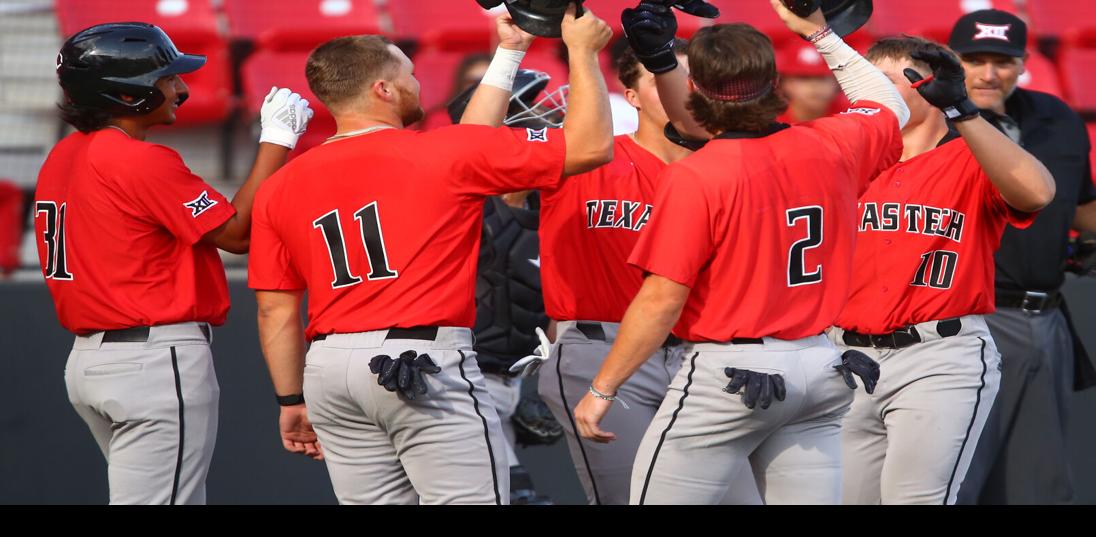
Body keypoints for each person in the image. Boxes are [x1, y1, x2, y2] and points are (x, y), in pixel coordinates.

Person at [249, 8, 615, 505]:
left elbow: (275, 309)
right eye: (410, 76)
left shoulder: (280, 185)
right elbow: (591, 146)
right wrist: (584, 52)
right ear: (383, 89)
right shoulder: (439, 154)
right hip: (420, 363)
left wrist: (290, 398)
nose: (418, 85)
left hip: (329, 372)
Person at [570, 0, 907, 505]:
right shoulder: (833, 143)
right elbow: (888, 101)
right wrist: (817, 33)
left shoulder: (698, 174)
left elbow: (662, 298)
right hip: (821, 366)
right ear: (775, 84)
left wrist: (603, 388)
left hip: (731, 375)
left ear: (698, 91)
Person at [474, 13, 759, 505]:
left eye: (694, 77)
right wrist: (518, 52)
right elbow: (473, 150)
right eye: (663, 71)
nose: (683, 85)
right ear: (629, 96)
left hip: (706, 353)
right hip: (598, 345)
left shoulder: (731, 168)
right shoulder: (589, 157)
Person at [38, 22, 311, 504]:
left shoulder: (62, 155)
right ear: (128, 94)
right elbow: (238, 234)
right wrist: (277, 139)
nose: (180, 89)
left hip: (92, 361)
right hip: (151, 360)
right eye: (166, 78)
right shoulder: (135, 159)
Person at [947, 9, 1096, 506]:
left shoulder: (1056, 116)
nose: (989, 74)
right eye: (975, 59)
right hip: (961, 320)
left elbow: (1081, 201)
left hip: (1044, 318)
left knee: (1037, 486)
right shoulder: (931, 123)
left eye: (1003, 61)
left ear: (1025, 62)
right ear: (952, 60)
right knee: (951, 483)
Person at [832, 37, 1053, 505]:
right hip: (843, 356)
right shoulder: (843, 157)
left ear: (925, 85)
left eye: (884, 81)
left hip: (937, 355)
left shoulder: (971, 155)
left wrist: (963, 112)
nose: (864, 91)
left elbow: (1037, 192)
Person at [447, 68, 566, 506]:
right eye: (527, 115)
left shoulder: (549, 205)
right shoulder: (463, 211)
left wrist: (532, 389)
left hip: (507, 384)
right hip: (458, 384)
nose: (543, 126)